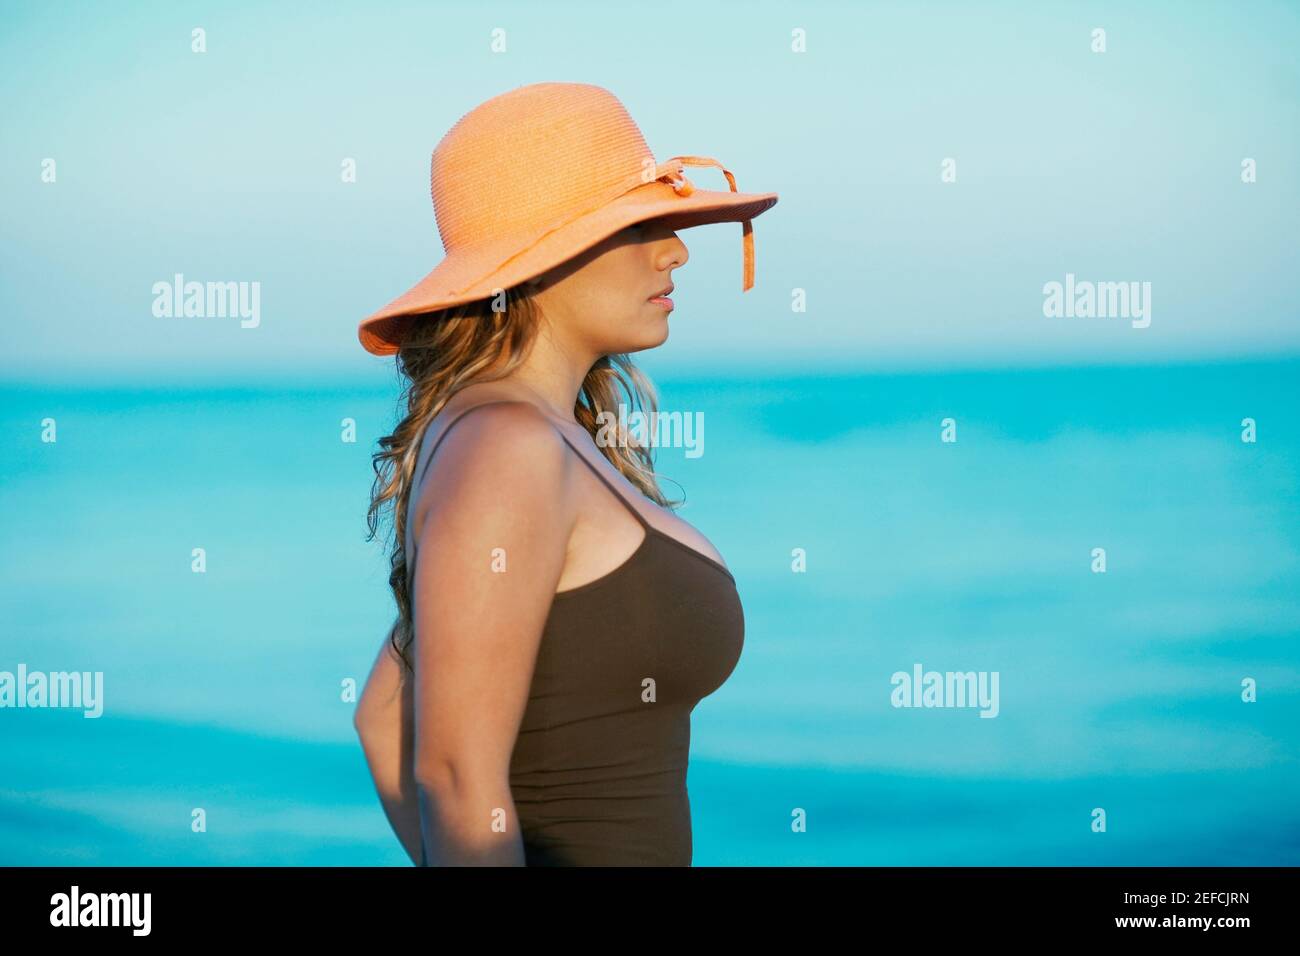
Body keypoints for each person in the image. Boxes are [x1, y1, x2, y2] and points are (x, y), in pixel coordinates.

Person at [350, 81, 778, 865]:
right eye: (641, 224)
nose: (676, 249)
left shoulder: (540, 434)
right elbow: (451, 773)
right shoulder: (505, 448)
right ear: (542, 259)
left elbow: (385, 715)